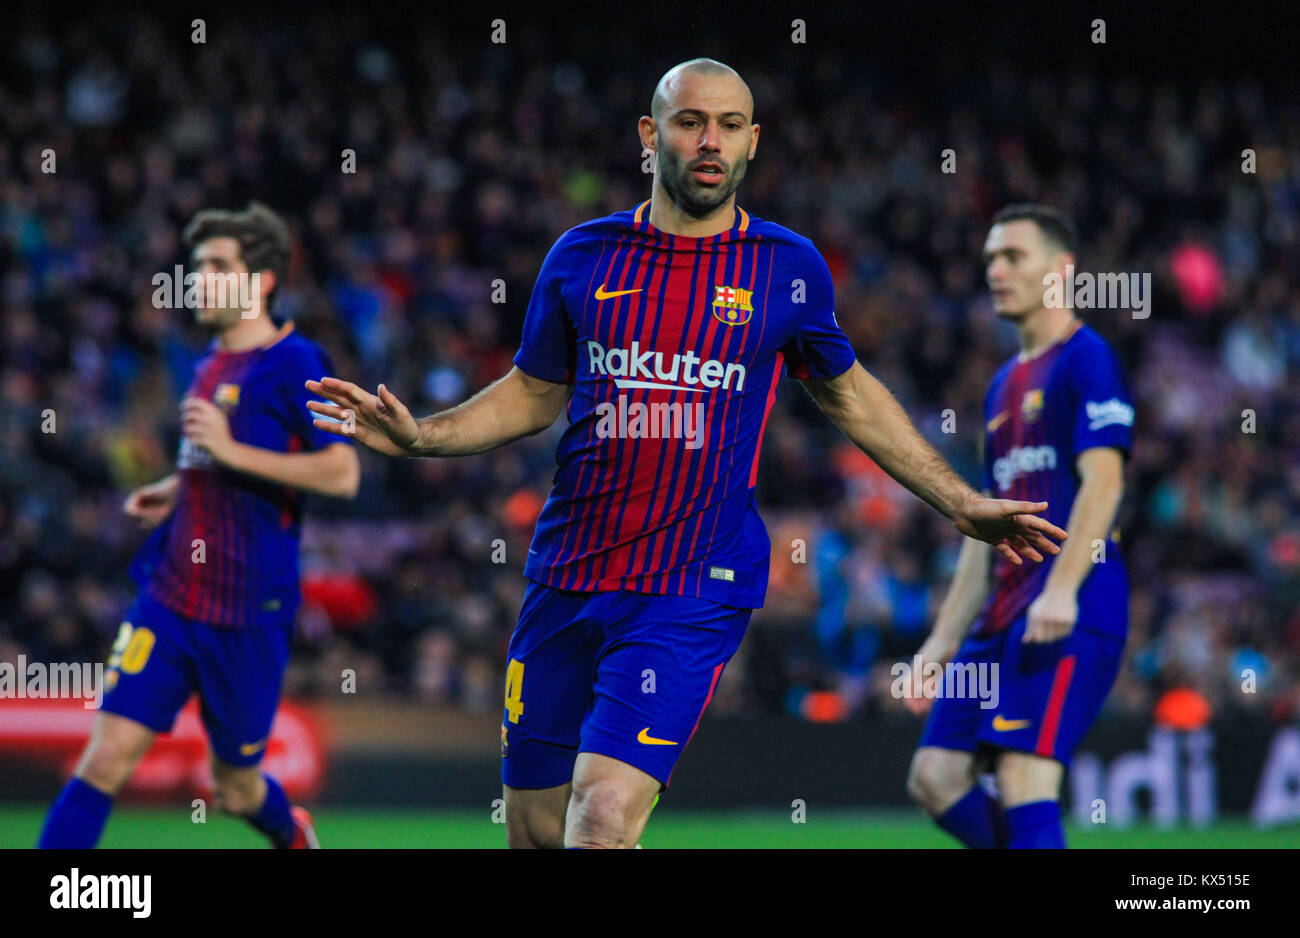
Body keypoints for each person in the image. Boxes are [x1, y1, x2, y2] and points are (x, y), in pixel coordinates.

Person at [307, 60, 1066, 848]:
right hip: (567, 575)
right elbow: (533, 392)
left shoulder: (786, 268)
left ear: (752, 142)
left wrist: (959, 500)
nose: (710, 141)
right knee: (534, 833)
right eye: (690, 122)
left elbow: (849, 394)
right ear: (650, 133)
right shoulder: (582, 256)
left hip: (690, 585)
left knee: (601, 815)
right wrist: (423, 436)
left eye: (730, 126)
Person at [39, 203, 359, 849]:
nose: (197, 280)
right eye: (196, 267)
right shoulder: (210, 359)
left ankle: (292, 834)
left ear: (262, 280)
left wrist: (230, 454)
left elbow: (342, 473)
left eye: (216, 266)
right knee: (104, 758)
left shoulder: (296, 361)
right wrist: (177, 489)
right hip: (170, 597)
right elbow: (212, 459)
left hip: (247, 612)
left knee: (234, 789)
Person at [905, 204, 1133, 848]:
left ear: (1061, 269)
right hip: (1003, 611)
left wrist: (1061, 589)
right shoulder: (1002, 384)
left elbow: (1105, 483)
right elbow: (986, 525)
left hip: (1070, 603)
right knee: (935, 777)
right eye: (990, 260)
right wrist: (940, 642)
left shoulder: (1088, 359)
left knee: (1023, 774)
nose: (996, 272)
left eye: (1013, 257)